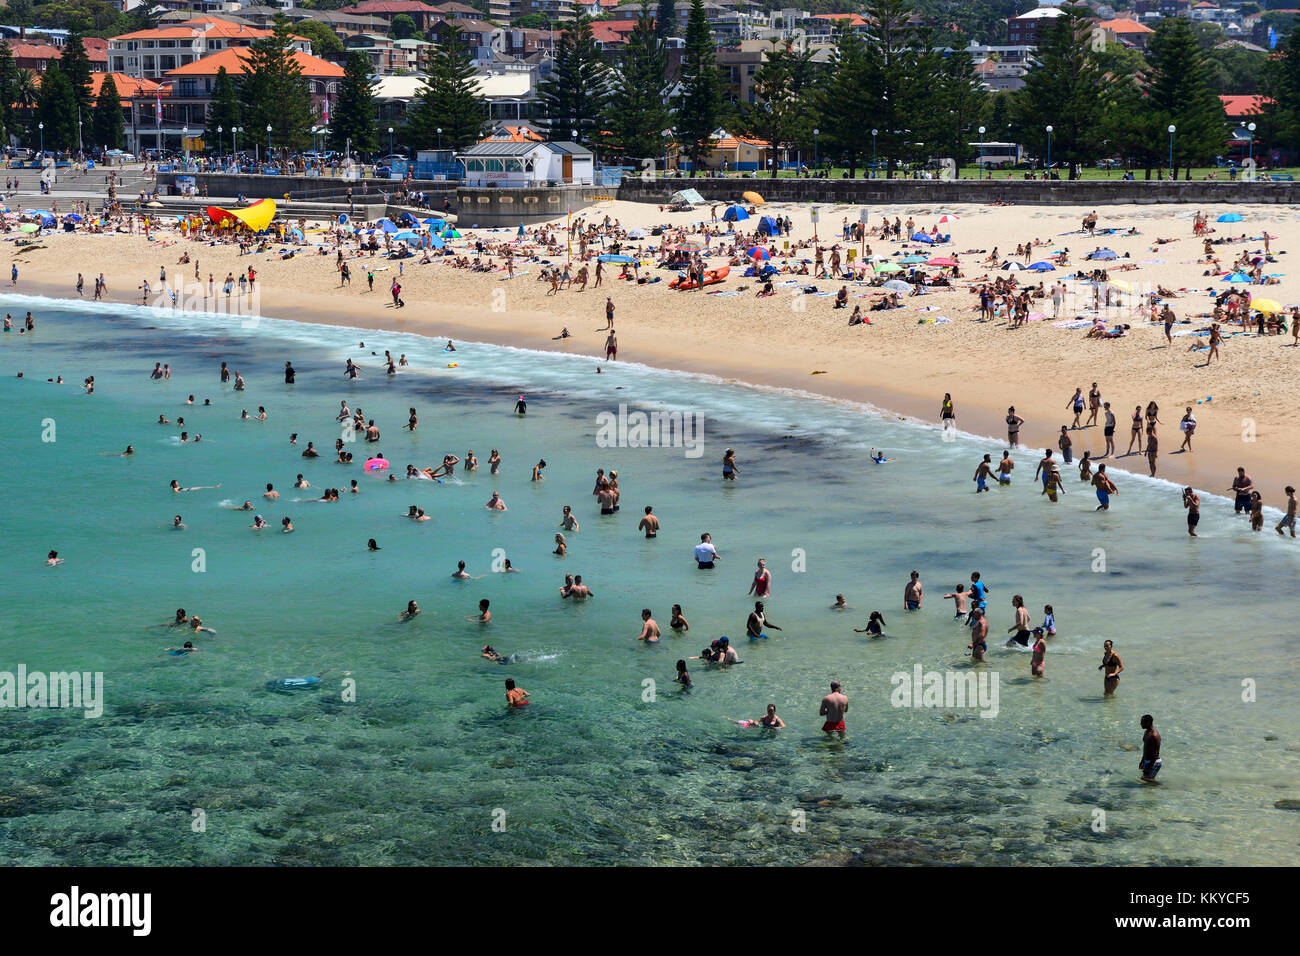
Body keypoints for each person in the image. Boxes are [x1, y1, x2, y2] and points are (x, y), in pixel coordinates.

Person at [1139, 714, 1162, 782]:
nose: (1140, 724)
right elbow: (1146, 748)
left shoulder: (1155, 735)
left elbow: (1156, 752)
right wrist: (1142, 760)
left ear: (1148, 722)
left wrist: (1149, 766)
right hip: (1147, 761)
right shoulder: (1146, 732)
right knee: (1145, 780)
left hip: (1154, 762)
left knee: (1148, 782)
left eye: (1142, 722)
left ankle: (1163, 788)